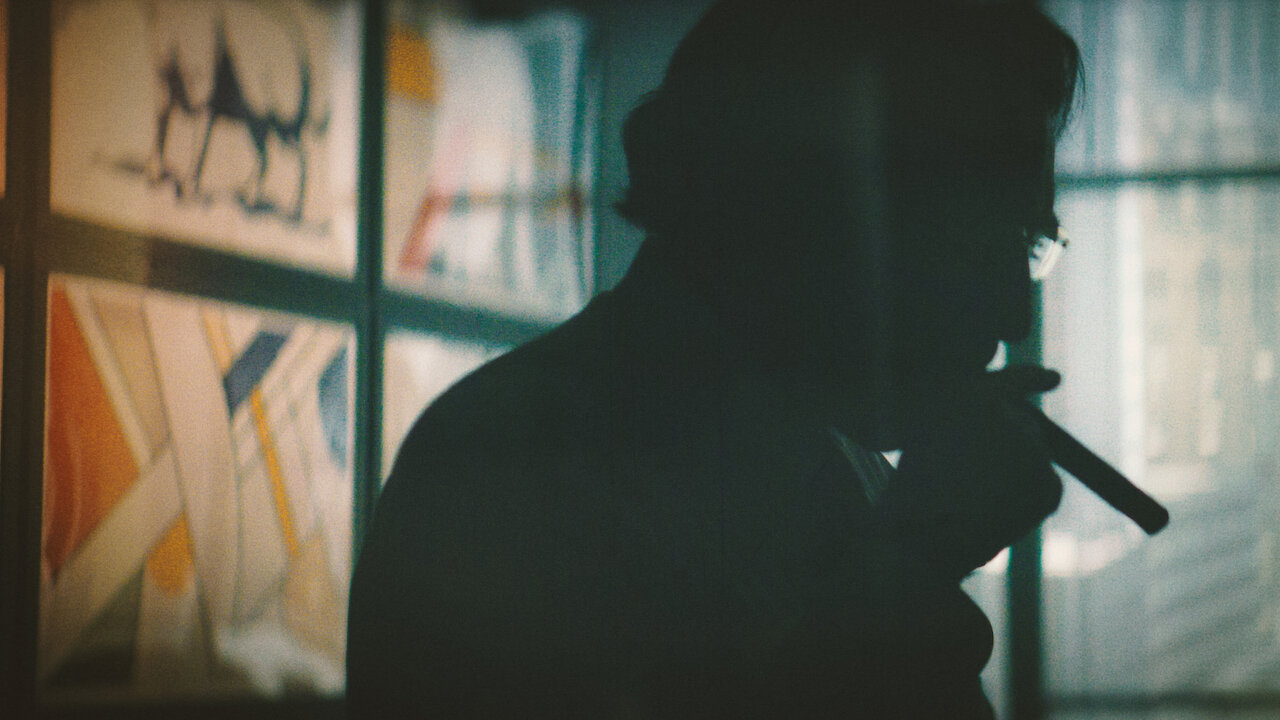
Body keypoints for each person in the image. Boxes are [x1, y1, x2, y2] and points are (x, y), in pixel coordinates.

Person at [347, 0, 1079, 717]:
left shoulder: (823, 455)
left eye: (1031, 248)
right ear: (816, 201)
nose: (1013, 314)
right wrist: (913, 562)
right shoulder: (514, 468)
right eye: (988, 239)